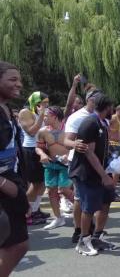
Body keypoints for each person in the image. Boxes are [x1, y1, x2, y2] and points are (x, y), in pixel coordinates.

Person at [70, 93, 116, 256]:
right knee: (88, 208)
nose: (113, 109)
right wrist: (104, 176)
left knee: (106, 201)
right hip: (87, 172)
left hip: (102, 170)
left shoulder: (103, 122)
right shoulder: (90, 122)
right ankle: (83, 240)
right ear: (107, 107)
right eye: (111, 107)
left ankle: (97, 237)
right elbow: (89, 153)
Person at [0, 61, 29, 276]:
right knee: (16, 244)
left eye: (19, 79)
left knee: (17, 244)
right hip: (4, 186)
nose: (19, 84)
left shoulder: (7, 109)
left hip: (12, 183)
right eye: (12, 79)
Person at [64, 88, 100, 243]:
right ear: (90, 99)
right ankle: (78, 229)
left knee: (92, 197)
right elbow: (66, 141)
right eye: (98, 99)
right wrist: (75, 144)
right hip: (79, 163)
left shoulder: (100, 117)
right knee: (79, 197)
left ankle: (91, 227)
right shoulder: (77, 117)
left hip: (96, 162)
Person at [35, 106, 74, 230]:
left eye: (46, 116)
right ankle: (58, 218)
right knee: (51, 190)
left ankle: (84, 209)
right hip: (50, 164)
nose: (44, 118)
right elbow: (38, 147)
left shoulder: (69, 130)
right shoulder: (43, 131)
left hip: (66, 165)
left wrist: (69, 156)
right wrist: (42, 154)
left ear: (54, 117)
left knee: (64, 189)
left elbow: (77, 146)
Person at [18, 91, 49, 225]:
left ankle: (35, 210)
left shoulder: (39, 112)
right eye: (44, 102)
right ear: (36, 102)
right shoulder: (25, 112)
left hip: (41, 148)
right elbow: (31, 132)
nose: (46, 105)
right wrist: (42, 114)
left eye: (47, 103)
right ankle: (24, 214)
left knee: (42, 183)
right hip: (31, 150)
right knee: (35, 183)